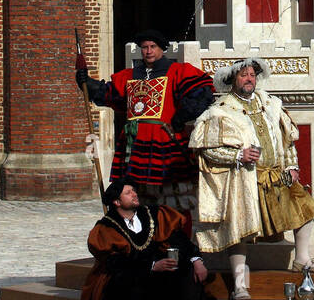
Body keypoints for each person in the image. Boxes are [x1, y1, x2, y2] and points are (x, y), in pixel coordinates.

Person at [189, 57, 314, 300]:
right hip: (245, 180)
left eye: (252, 75)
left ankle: (302, 259)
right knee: (240, 230)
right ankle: (240, 285)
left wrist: (292, 164)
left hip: (276, 175)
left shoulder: (270, 104)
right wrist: (238, 155)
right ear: (232, 81)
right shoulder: (220, 112)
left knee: (305, 210)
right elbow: (207, 149)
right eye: (244, 75)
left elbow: (287, 138)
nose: (249, 79)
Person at [76, 30, 215, 194]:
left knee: (169, 190)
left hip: (164, 139)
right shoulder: (130, 75)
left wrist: (180, 117)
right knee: (133, 189)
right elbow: (107, 94)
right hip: (132, 143)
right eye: (144, 47)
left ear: (161, 49)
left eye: (152, 46)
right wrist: (86, 82)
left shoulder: (178, 71)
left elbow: (203, 93)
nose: (148, 51)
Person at [79, 176, 217, 300]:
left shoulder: (152, 214)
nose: (135, 194)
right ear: (117, 202)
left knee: (188, 268)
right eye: (128, 193)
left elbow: (178, 239)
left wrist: (197, 260)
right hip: (128, 283)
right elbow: (115, 263)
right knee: (126, 276)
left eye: (134, 191)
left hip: (157, 280)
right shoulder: (107, 227)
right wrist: (151, 266)